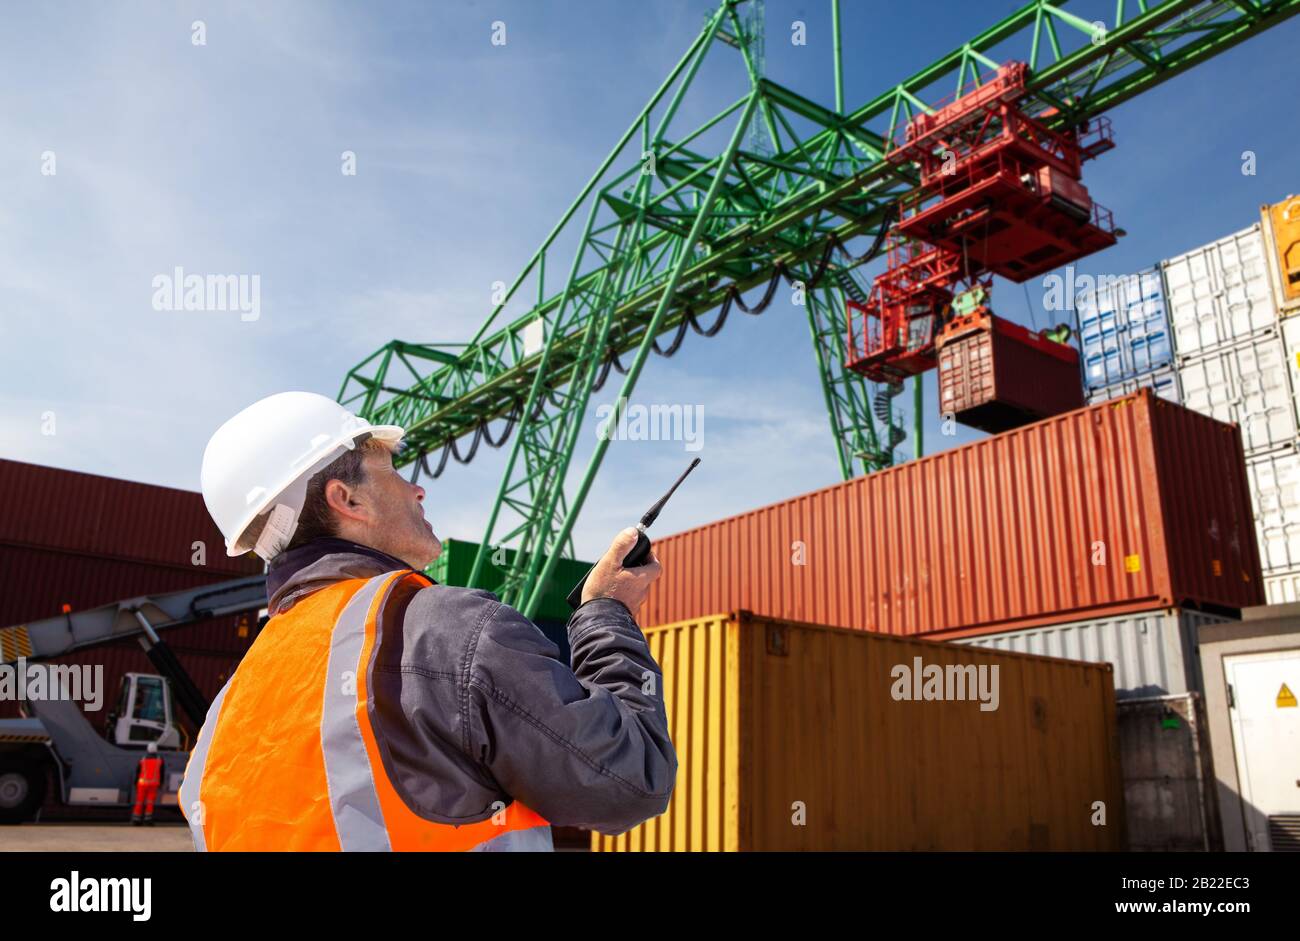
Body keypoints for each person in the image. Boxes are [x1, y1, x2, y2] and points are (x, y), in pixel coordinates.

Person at [180, 391, 675, 851]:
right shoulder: (442, 628)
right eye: (391, 471)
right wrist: (608, 614)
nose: (417, 489)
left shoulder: (226, 713)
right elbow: (630, 780)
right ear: (347, 500)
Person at [131, 742, 163, 826]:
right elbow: (162, 773)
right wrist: (161, 783)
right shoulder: (160, 760)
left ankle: (136, 819)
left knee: (139, 801)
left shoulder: (143, 759)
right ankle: (148, 820)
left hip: (142, 784)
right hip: (153, 784)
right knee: (150, 802)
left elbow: (138, 772)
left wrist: (135, 782)